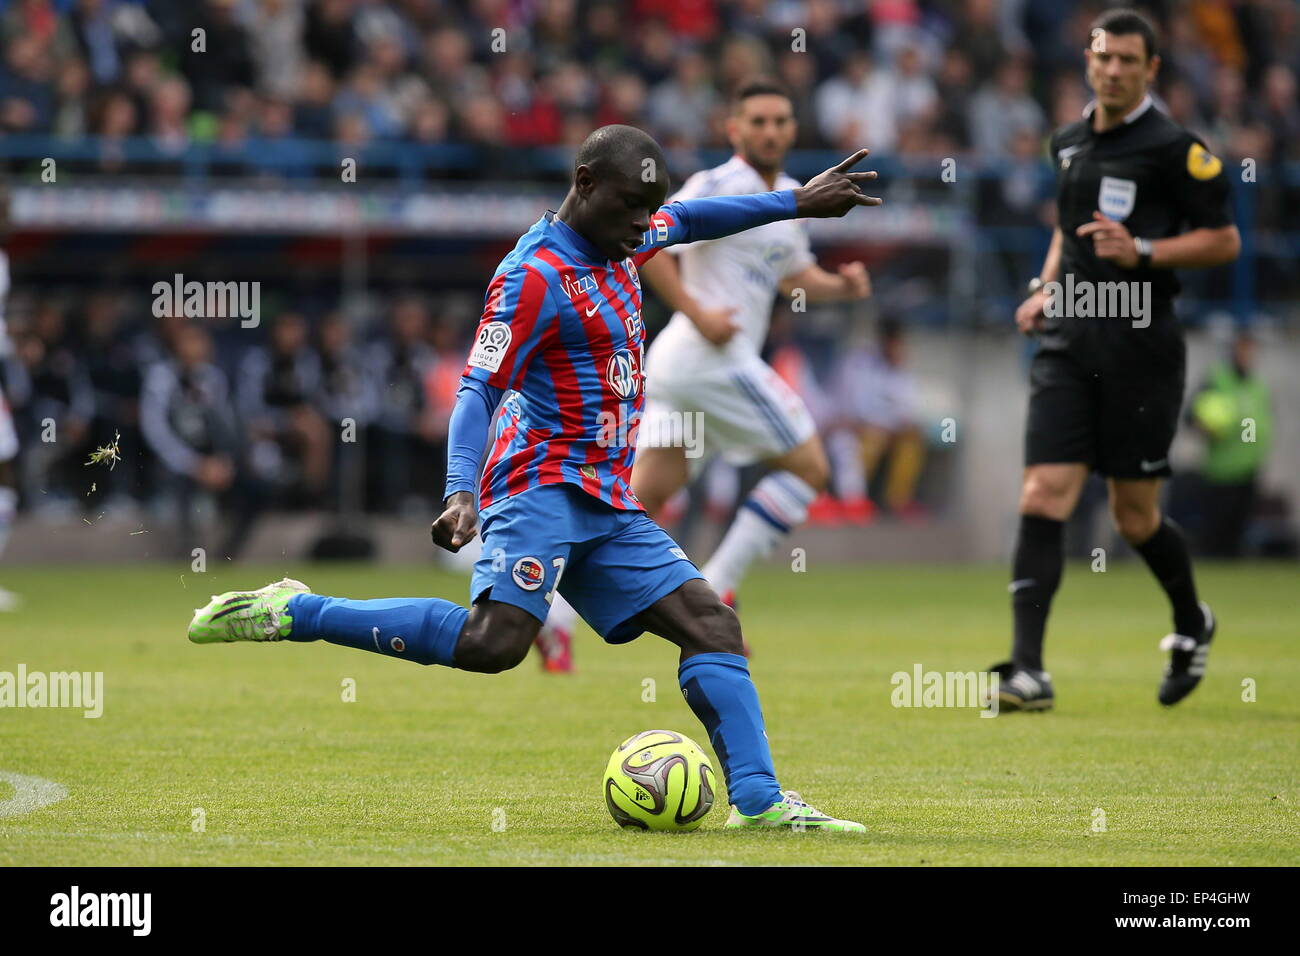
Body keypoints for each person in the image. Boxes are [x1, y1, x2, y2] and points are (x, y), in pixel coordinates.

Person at [188, 124, 880, 831]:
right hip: (539, 484)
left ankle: (760, 804)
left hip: (606, 492)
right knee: (493, 645)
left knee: (711, 625)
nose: (645, 223)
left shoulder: (629, 233)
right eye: (631, 206)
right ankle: (297, 612)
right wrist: (461, 490)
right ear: (584, 185)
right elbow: (476, 389)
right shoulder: (533, 277)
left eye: (651, 207)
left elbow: (697, 217)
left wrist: (795, 201)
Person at [992, 9, 1241, 712]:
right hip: (1069, 345)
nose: (1114, 70)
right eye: (1104, 58)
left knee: (1134, 518)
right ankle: (1028, 673)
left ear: (1151, 68)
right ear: (1088, 60)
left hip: (1141, 351)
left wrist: (1146, 252)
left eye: (1130, 60)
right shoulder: (1067, 141)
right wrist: (1045, 290)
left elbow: (1225, 242)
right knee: (1043, 493)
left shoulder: (1176, 150)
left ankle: (1192, 621)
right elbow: (1065, 232)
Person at [1188, 331, 1272, 557]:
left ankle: (1235, 575)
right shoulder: (1216, 379)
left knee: (1239, 532)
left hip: (1249, 469)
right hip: (1220, 471)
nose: (1247, 355)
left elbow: (1262, 420)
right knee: (1215, 532)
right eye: (1243, 349)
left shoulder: (1257, 384)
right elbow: (1191, 417)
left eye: (1251, 350)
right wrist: (1205, 427)